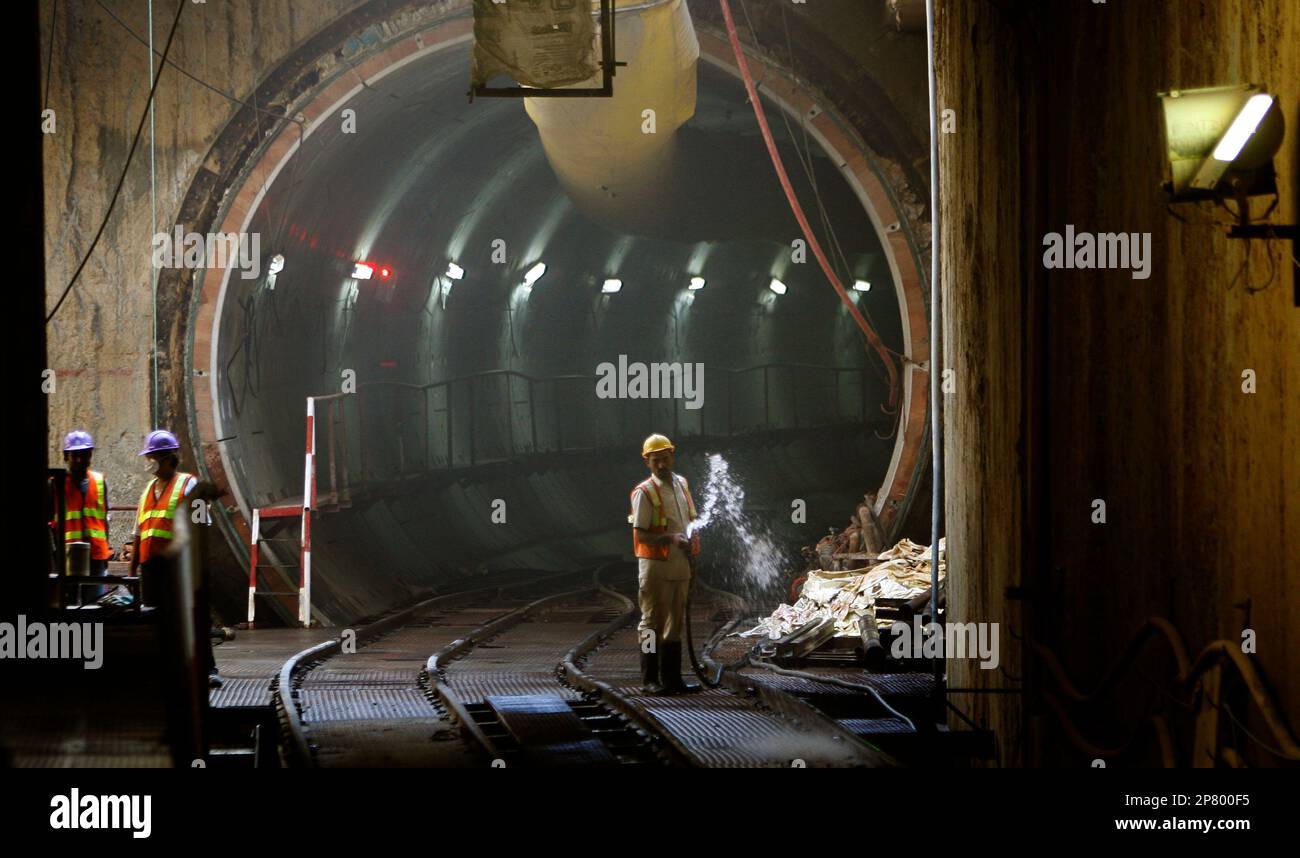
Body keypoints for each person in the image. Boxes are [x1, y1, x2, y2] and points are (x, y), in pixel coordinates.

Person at [130, 429, 222, 688]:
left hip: (179, 569)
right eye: (148, 457)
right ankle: (169, 670)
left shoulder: (188, 485)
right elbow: (138, 534)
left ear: (168, 457)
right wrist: (131, 572)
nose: (149, 462)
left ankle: (208, 669)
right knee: (158, 621)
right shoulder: (148, 489)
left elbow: (202, 525)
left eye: (153, 456)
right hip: (151, 570)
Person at [629, 433, 701, 695]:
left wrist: (692, 550)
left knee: (675, 622)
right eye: (655, 460)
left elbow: (690, 523)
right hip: (655, 567)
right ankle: (650, 680)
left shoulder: (682, 484)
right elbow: (641, 534)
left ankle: (672, 680)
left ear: (673, 455)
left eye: (665, 458)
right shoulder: (644, 492)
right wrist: (671, 537)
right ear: (647, 461)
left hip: (680, 565)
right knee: (651, 622)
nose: (661, 464)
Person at [53, 430, 113, 599]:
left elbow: (104, 519)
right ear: (67, 457)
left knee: (94, 604)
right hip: (67, 557)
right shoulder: (56, 485)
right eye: (75, 455)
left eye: (85, 455)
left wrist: (106, 551)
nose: (81, 460)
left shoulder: (100, 482)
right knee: (68, 606)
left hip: (96, 554)